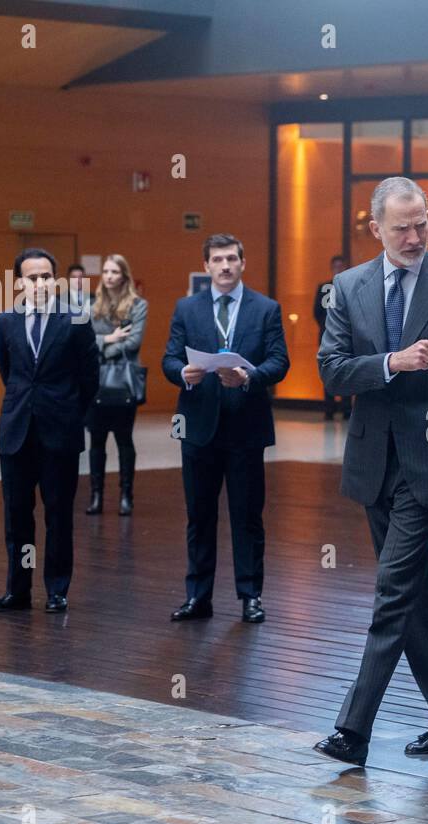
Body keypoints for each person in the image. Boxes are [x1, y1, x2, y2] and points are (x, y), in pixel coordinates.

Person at [313, 176, 428, 767]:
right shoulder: (346, 287)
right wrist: (393, 362)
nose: (416, 236)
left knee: (393, 592)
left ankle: (353, 729)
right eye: (403, 227)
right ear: (376, 230)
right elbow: (333, 372)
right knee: (413, 595)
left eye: (422, 224)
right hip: (372, 464)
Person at [162, 234, 289, 625]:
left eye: (232, 258)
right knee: (199, 516)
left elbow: (279, 362)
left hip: (245, 428)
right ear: (207, 266)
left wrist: (249, 376)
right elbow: (169, 357)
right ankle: (198, 596)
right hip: (198, 426)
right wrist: (183, 373)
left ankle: (250, 595)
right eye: (217, 260)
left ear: (243, 262)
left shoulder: (265, 308)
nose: (225, 266)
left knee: (247, 516)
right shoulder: (187, 308)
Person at [0, 248, 99, 614]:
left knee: (58, 514)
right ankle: (18, 590)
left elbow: (89, 379)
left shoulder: (76, 320)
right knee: (18, 517)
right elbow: (9, 374)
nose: (40, 283)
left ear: (56, 280)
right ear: (19, 282)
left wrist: (69, 413)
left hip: (60, 431)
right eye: (32, 277)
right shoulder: (5, 320)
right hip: (18, 431)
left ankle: (56, 588)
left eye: (46, 277)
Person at [86, 254, 147, 516]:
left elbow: (133, 343)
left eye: (115, 271)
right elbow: (84, 341)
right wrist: (109, 338)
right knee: (96, 440)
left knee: (124, 439)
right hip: (95, 383)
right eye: (106, 271)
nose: (109, 276)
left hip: (123, 381)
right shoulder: (91, 305)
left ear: (124, 275)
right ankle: (96, 496)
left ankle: (126, 496)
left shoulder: (138, 305)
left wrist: (102, 350)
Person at [313, 254, 351, 420]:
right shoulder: (325, 287)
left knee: (348, 372)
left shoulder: (351, 286)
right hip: (327, 337)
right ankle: (329, 409)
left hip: (348, 337)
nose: (339, 269)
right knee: (327, 371)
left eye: (341, 266)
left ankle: (346, 409)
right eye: (336, 266)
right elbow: (317, 312)